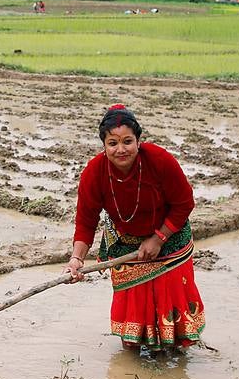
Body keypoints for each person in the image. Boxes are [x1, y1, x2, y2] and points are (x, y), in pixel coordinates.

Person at [65, 104, 205, 353]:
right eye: (112, 143)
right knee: (131, 313)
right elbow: (86, 221)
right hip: (125, 242)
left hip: (169, 238)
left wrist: (159, 238)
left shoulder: (159, 160)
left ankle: (174, 351)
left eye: (127, 141)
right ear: (104, 145)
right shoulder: (94, 173)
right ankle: (132, 352)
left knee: (169, 305)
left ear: (139, 141)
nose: (120, 149)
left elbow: (184, 203)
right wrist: (76, 259)